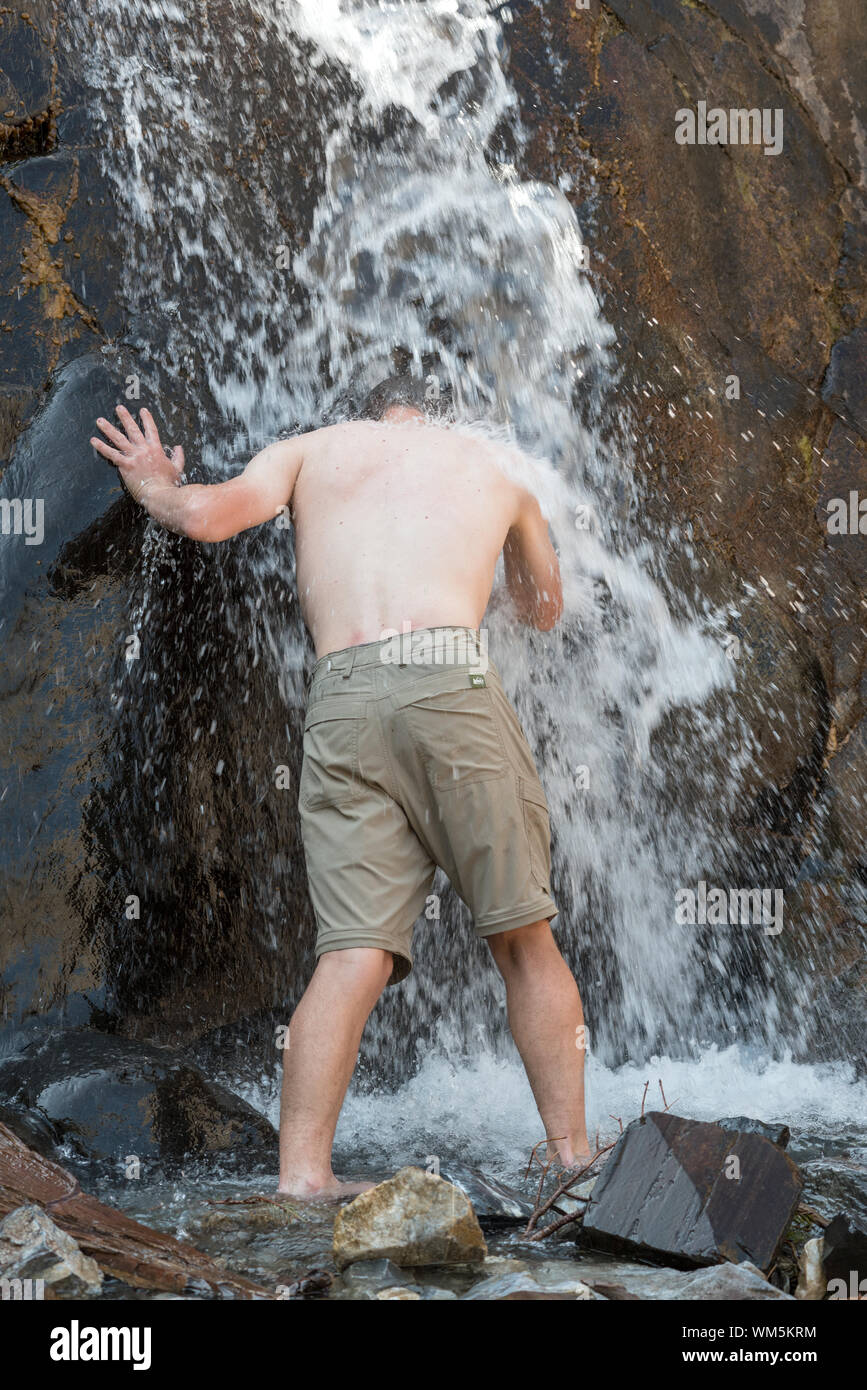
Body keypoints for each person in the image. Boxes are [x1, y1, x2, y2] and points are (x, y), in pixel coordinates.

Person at [91, 375, 591, 1197]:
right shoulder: (496, 469)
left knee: (352, 953)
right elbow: (543, 608)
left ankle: (302, 1178)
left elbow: (207, 517)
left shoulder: (310, 451)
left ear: (365, 415)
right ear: (429, 415)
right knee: (522, 938)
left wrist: (153, 483)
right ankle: (571, 1163)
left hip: (344, 694)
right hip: (447, 681)